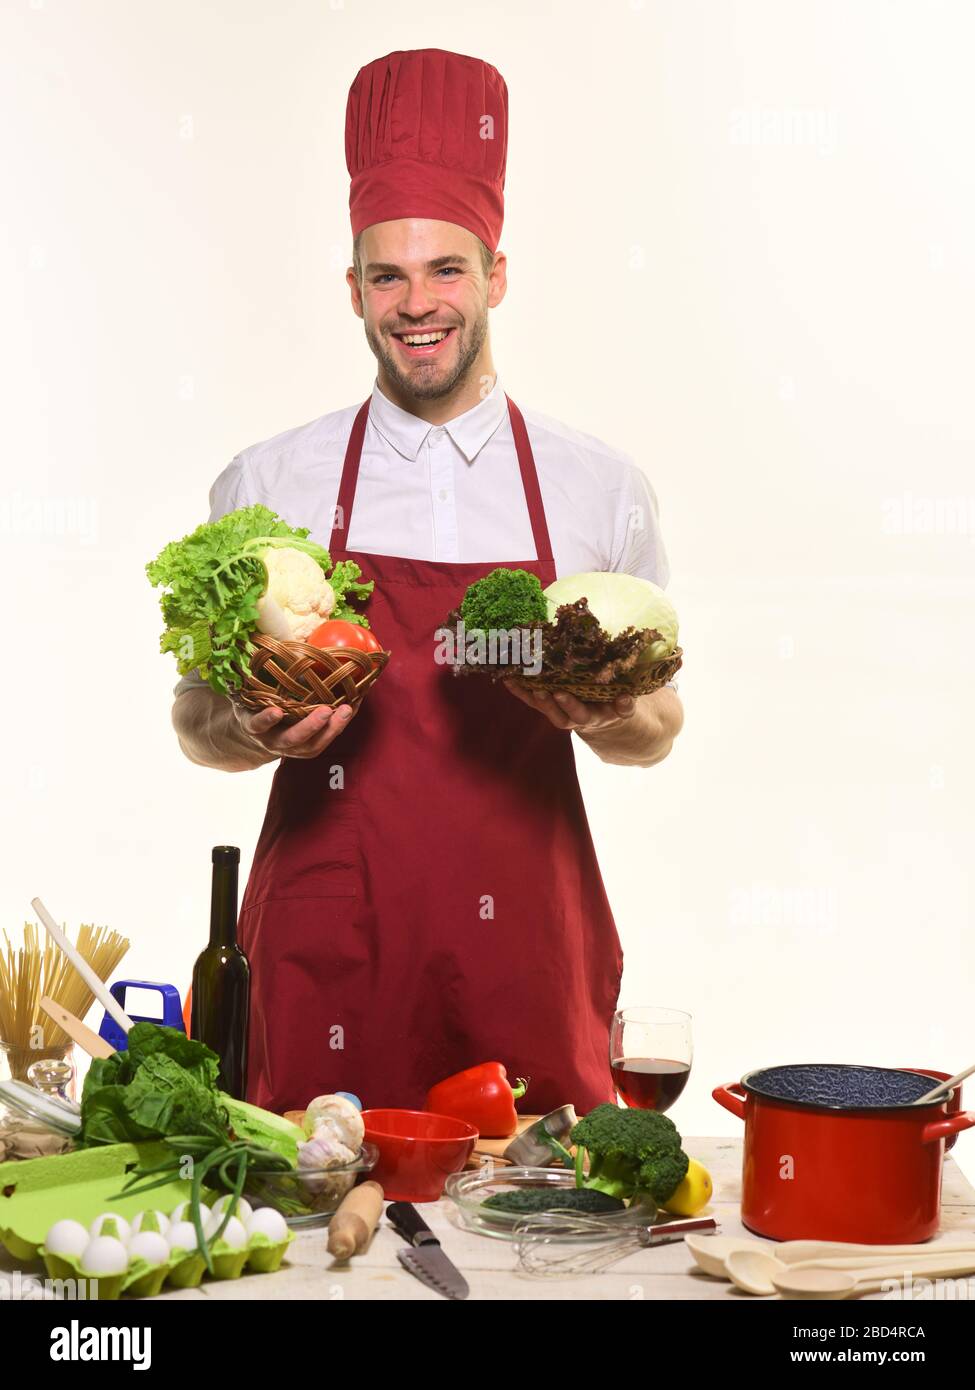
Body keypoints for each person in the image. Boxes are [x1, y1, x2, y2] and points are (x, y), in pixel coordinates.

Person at [172, 48, 683, 1114]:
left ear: (497, 274)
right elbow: (195, 719)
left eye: (446, 269)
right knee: (307, 1246)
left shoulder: (598, 486)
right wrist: (254, 731)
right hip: (329, 943)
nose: (418, 305)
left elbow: (660, 725)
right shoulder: (269, 482)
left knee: (540, 1240)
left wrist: (602, 709)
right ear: (353, 287)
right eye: (387, 274)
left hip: (529, 950)